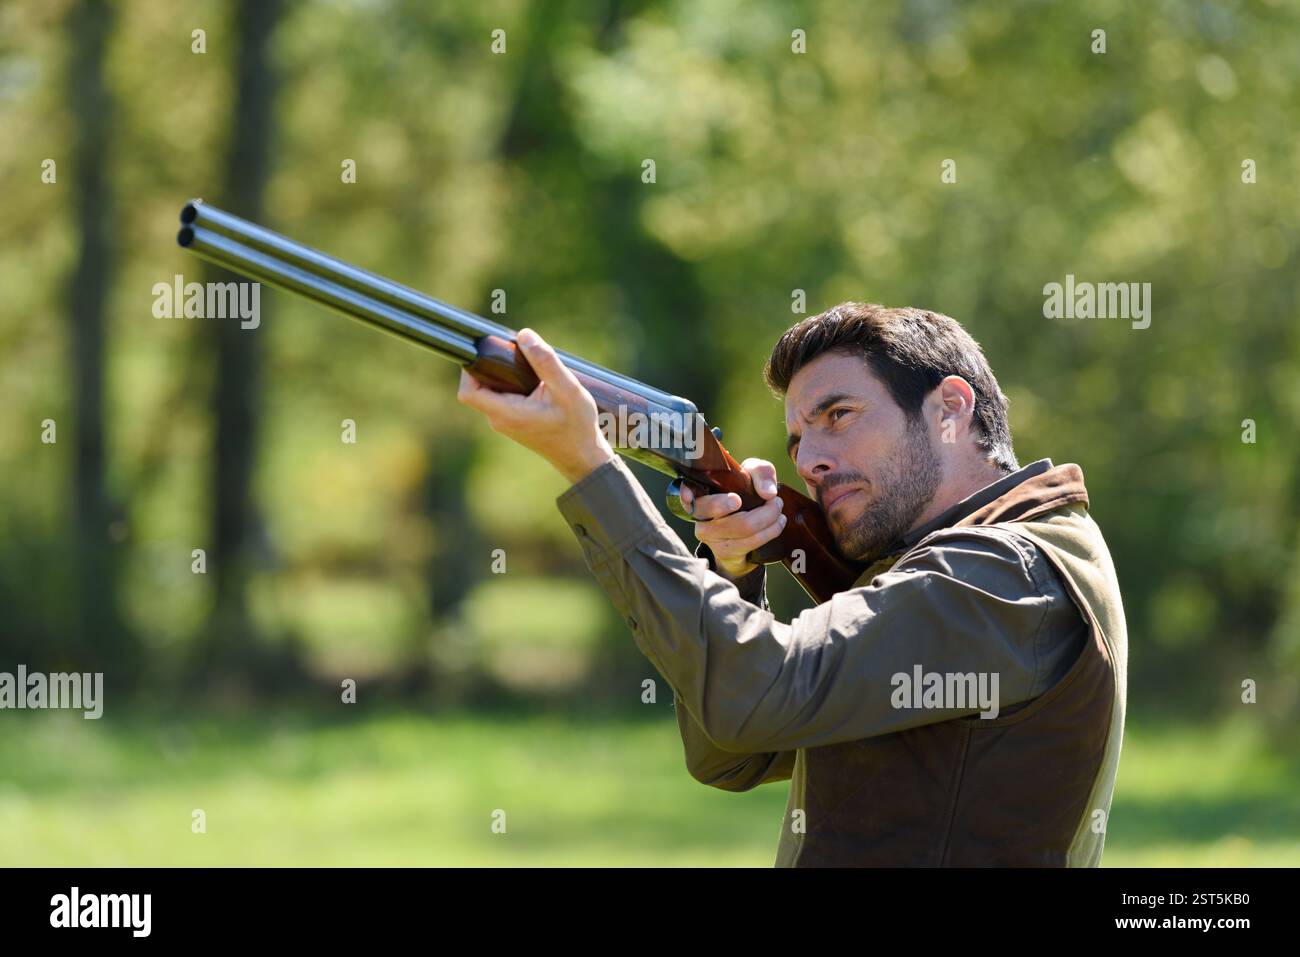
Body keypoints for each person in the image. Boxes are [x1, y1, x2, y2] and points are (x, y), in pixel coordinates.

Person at [457, 301, 1128, 866]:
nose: (810, 460)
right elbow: (733, 753)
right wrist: (737, 572)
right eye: (797, 441)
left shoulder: (1003, 571)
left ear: (949, 408)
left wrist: (590, 467)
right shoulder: (997, 553)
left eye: (838, 415)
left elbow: (760, 696)